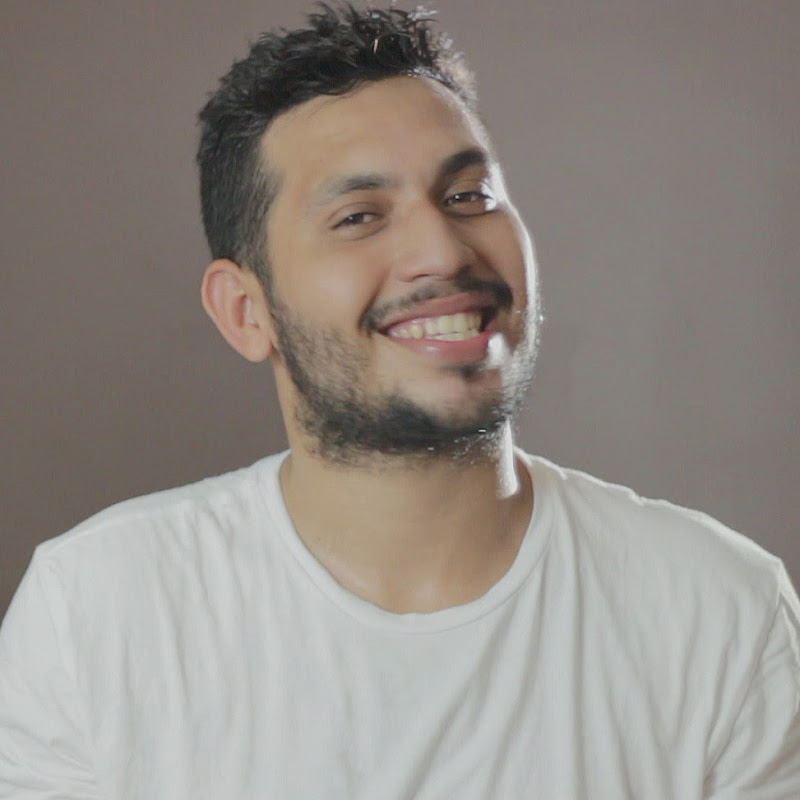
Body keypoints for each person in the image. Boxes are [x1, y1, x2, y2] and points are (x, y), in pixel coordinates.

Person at [1, 3, 798, 797]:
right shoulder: (94, 613)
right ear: (246, 311)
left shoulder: (722, 613)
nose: (443, 252)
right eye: (359, 217)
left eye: (469, 195)